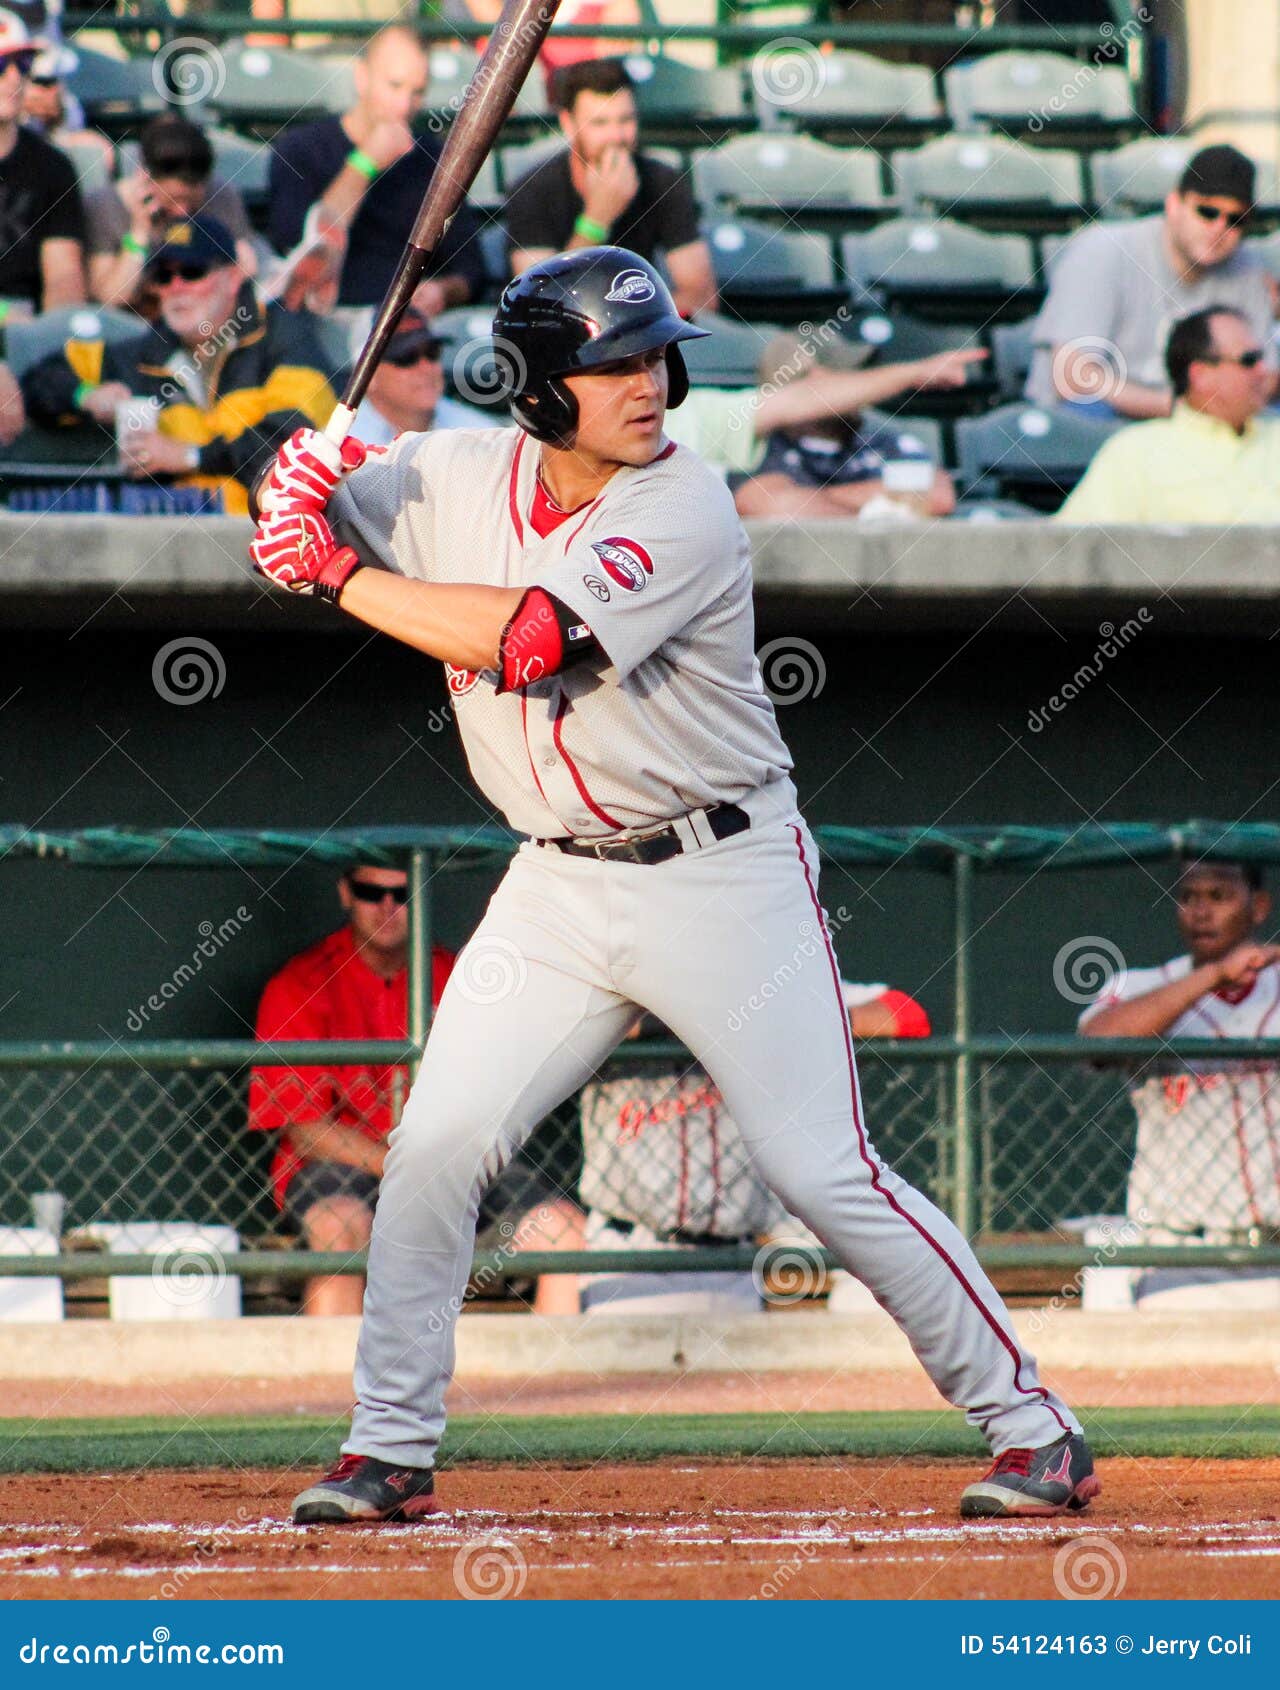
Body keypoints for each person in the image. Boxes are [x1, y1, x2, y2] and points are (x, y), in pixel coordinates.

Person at [249, 246, 1096, 1526]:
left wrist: (333, 570)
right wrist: (282, 485)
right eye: (614, 366)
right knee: (433, 1146)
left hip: (720, 870)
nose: (649, 385)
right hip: (555, 881)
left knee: (821, 1169)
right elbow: (289, 508)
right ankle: (389, 1447)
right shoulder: (450, 476)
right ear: (540, 389)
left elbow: (526, 642)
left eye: (656, 359)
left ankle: (1034, 1427)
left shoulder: (683, 501)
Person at [249, 861, 577, 1317]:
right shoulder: (299, 983)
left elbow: (494, 1104)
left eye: (402, 895)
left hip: (451, 1167)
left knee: (563, 1230)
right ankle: (333, 1366)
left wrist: (443, 1165)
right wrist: (400, 1167)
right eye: (371, 893)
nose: (387, 907)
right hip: (344, 1169)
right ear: (346, 893)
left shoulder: (461, 979)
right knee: (339, 1226)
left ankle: (553, 1367)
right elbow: (306, 1130)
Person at [567, 985, 932, 1316]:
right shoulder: (622, 989)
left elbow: (909, 1015)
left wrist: (790, 1020)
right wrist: (695, 1017)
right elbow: (566, 1022)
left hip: (733, 1262)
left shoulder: (760, 986)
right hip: (630, 1258)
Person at [20, 214, 339, 516]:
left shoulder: (286, 338)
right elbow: (39, 380)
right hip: (170, 535)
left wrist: (190, 455)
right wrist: (86, 396)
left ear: (231, 278)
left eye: (192, 272)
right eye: (163, 276)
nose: (176, 287)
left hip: (268, 533)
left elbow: (294, 444)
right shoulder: (142, 353)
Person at [1079, 857, 1280, 1244]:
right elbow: (1096, 1042)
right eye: (1188, 897)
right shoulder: (1141, 986)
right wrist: (1214, 975)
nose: (1201, 912)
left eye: (1218, 896)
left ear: (1258, 906)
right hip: (1179, 1244)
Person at [1027, 144, 1274, 419]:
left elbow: (1266, 375)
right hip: (1102, 420)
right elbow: (1073, 378)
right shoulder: (1103, 249)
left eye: (1235, 220)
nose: (1219, 228)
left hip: (1194, 423)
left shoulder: (1247, 266)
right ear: (1174, 204)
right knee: (1088, 408)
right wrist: (1181, 409)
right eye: (1207, 211)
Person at [268, 25, 485, 317]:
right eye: (394, 86)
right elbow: (300, 251)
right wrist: (364, 163)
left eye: (417, 92)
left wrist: (442, 292)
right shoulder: (301, 149)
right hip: (326, 318)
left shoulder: (432, 157)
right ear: (362, 78)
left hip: (407, 322)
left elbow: (470, 268)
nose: (404, 105)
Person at [506, 59, 717, 319]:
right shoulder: (532, 191)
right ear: (568, 123)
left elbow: (702, 295)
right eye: (600, 123)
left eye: (625, 120)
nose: (616, 136)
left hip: (644, 331)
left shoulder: (662, 181)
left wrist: (630, 325)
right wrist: (596, 220)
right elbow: (540, 303)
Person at [698, 331, 973, 519]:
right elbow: (772, 505)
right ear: (803, 384)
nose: (858, 381)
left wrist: (817, 500)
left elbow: (938, 495)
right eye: (843, 373)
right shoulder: (758, 448)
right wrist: (883, 504)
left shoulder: (879, 440)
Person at [1055, 306, 1280, 524]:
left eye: (1262, 358)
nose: (1263, 371)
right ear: (1201, 375)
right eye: (1249, 360)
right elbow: (1076, 542)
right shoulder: (1135, 453)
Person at [84, 113, 257, 310]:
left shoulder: (219, 195)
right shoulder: (105, 206)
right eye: (173, 199)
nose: (182, 212)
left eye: (190, 201)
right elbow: (111, 298)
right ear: (145, 178)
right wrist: (139, 232)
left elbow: (246, 269)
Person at [0, 8, 85, 316]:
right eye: (1, 65)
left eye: (23, 64)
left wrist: (44, 336)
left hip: (29, 330)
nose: (14, 78)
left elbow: (65, 285)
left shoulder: (52, 168)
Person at [350, 306, 496, 446]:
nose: (426, 368)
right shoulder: (341, 443)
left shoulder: (480, 434)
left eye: (432, 352)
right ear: (366, 375)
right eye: (406, 357)